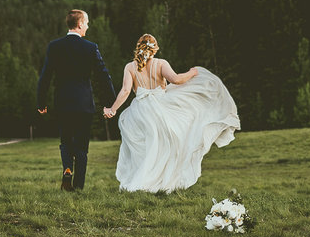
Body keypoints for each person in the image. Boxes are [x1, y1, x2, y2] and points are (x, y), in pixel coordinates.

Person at [103, 33, 240, 192]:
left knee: (147, 146)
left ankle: (143, 180)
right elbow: (176, 80)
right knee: (167, 143)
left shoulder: (130, 67)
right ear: (155, 49)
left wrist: (112, 109)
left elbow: (126, 90)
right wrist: (192, 73)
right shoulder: (161, 64)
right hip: (162, 107)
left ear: (138, 48)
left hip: (140, 111)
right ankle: (161, 181)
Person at [36, 9, 116, 191]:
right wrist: (110, 102)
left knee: (65, 141)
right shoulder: (90, 47)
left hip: (63, 102)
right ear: (80, 24)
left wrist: (41, 103)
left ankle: (67, 169)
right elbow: (103, 76)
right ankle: (78, 187)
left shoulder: (54, 46)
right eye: (86, 22)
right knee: (81, 146)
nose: (88, 26)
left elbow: (45, 77)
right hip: (83, 104)